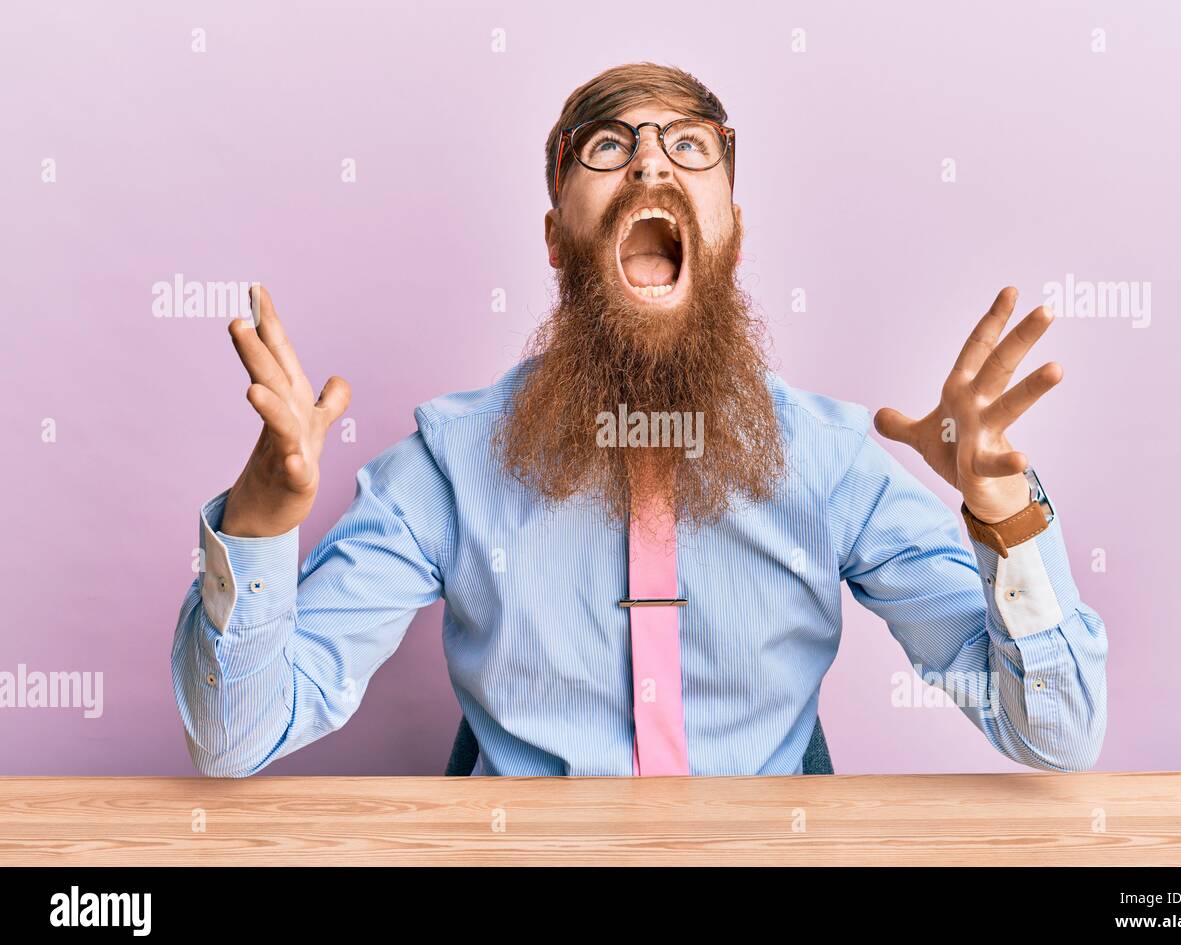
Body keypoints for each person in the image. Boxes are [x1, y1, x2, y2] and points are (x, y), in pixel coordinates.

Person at [171, 62, 1107, 777]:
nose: (652, 158)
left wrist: (1003, 511)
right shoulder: (451, 468)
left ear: (729, 228)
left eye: (690, 145)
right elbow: (235, 739)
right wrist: (260, 520)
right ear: (554, 235)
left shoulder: (830, 465)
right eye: (607, 145)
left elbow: (1056, 737)